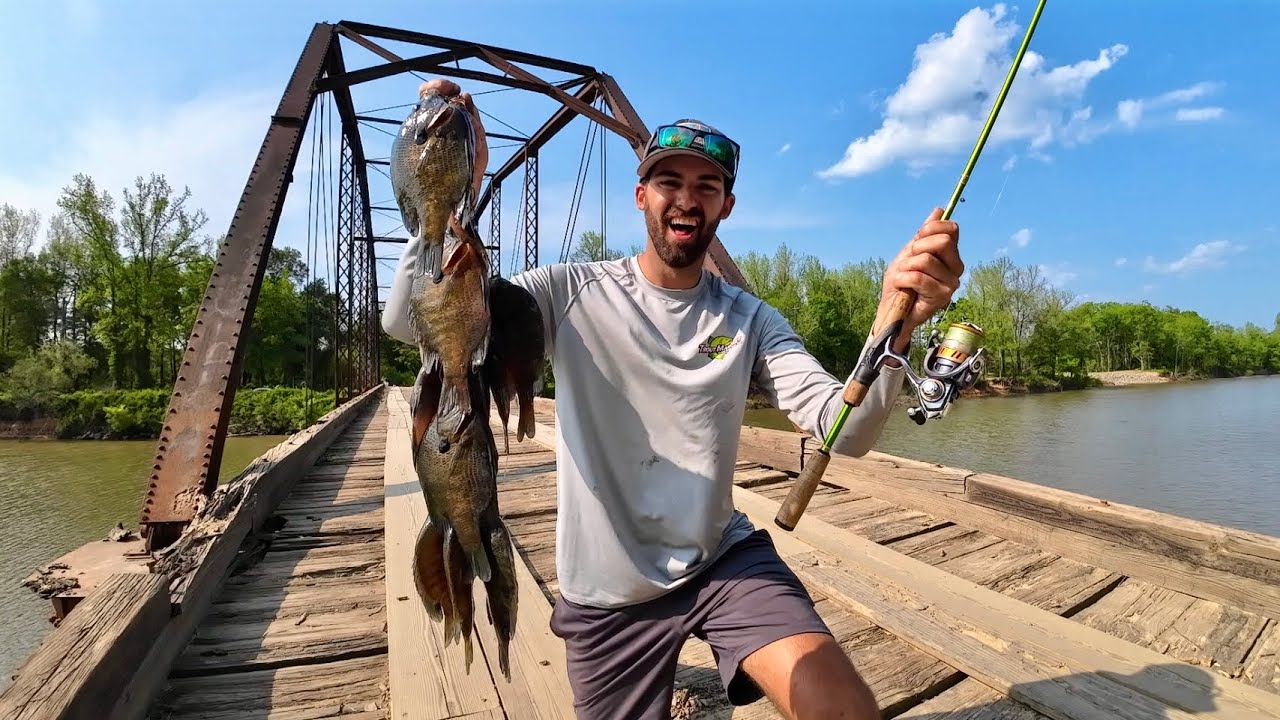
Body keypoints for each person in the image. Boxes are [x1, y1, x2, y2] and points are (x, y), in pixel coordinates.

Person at [382, 91, 964, 719]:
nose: (687, 199)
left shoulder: (751, 321)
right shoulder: (566, 292)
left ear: (726, 206)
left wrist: (894, 325)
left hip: (722, 560)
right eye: (669, 182)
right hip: (607, 596)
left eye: (707, 186)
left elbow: (843, 431)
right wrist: (448, 196)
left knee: (844, 710)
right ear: (642, 196)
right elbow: (408, 323)